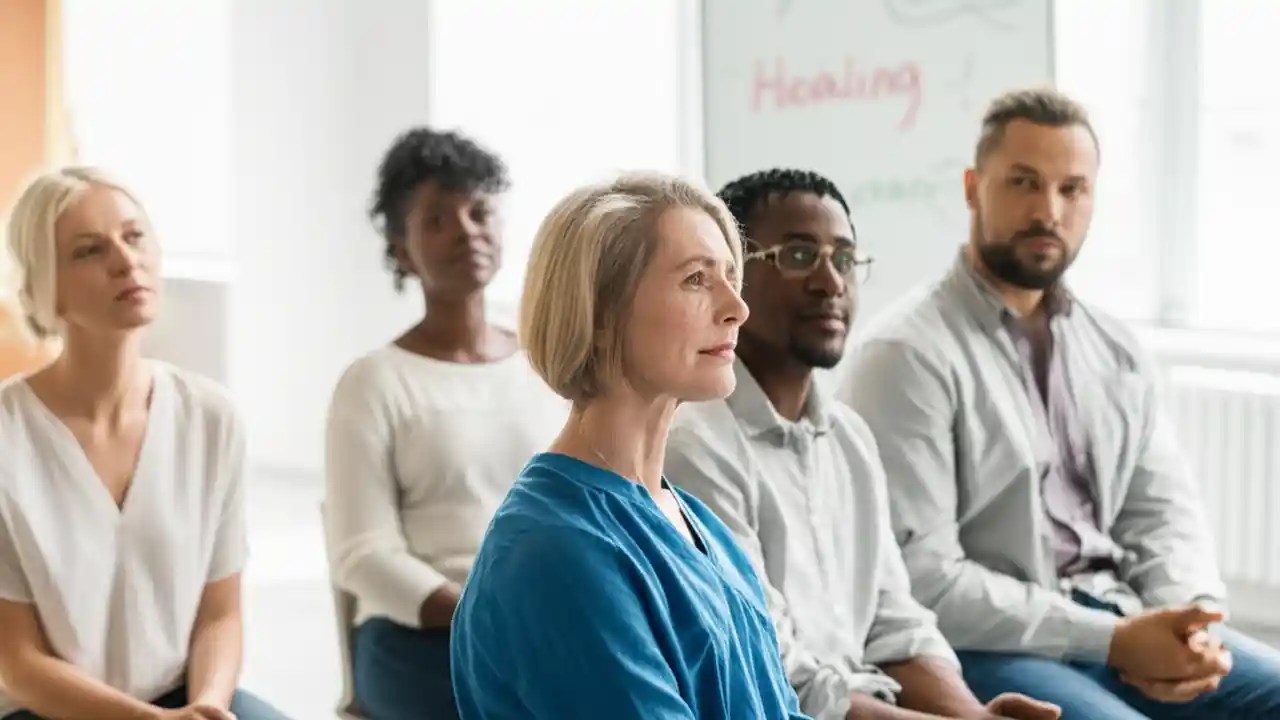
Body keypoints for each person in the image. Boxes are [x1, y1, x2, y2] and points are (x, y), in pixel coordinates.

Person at [841, 88, 1280, 718]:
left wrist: (1190, 624)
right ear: (972, 187)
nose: (1048, 209)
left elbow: (1161, 515)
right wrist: (1114, 641)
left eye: (1072, 189)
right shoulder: (905, 355)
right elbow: (923, 579)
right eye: (1024, 182)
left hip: (1119, 615)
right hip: (990, 644)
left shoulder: (1116, 348)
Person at [666, 169, 1059, 720]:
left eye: (845, 260)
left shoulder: (848, 437)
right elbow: (773, 676)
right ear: (732, 278)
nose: (831, 283)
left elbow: (894, 620)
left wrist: (976, 716)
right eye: (799, 256)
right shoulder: (695, 446)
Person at [450, 172, 810, 719]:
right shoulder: (555, 551)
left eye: (731, 276)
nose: (737, 307)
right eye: (696, 279)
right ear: (599, 313)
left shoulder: (694, 522)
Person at [0, 167, 284, 720]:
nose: (125, 261)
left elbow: (220, 615)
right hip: (46, 711)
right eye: (88, 251)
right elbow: (17, 660)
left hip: (183, 701)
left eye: (134, 237)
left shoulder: (210, 417)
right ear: (44, 286)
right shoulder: (7, 438)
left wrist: (205, 706)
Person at [323, 128, 567, 719]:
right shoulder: (374, 382)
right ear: (402, 250)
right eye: (437, 219)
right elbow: (363, 554)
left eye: (480, 211)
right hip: (423, 637)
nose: (466, 230)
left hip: (548, 623)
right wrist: (481, 612)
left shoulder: (550, 365)